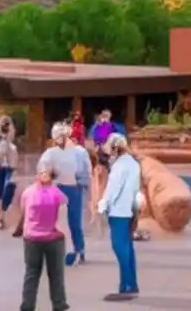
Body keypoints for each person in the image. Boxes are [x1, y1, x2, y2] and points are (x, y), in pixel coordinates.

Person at [14, 159, 70, 311]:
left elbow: (23, 212)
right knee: (56, 274)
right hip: (54, 238)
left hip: (32, 238)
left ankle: (27, 305)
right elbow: (64, 216)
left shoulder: (28, 192)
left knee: (32, 273)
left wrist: (20, 229)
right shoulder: (58, 194)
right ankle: (58, 303)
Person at [37, 123, 89, 267]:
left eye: (63, 136)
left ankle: (79, 248)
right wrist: (47, 178)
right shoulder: (50, 153)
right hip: (57, 188)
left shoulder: (78, 152)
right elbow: (43, 169)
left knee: (74, 221)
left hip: (74, 188)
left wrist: (83, 183)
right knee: (57, 222)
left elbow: (85, 170)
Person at [98, 133, 140, 301]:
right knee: (127, 247)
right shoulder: (133, 163)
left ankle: (128, 284)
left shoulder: (120, 166)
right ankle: (129, 283)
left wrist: (103, 204)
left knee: (119, 246)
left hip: (118, 210)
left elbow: (113, 189)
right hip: (130, 208)